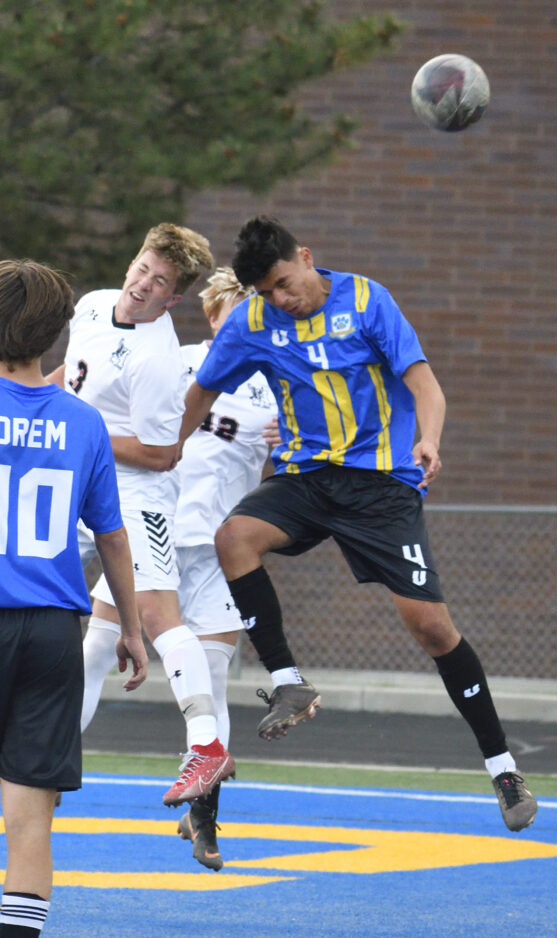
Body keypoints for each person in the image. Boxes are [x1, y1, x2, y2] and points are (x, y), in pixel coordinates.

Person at [179, 215, 539, 834]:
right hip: (307, 478)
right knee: (234, 537)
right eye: (267, 292)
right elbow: (200, 395)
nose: (281, 300)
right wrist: (166, 453)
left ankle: (503, 767)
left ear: (308, 258)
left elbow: (425, 384)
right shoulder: (252, 322)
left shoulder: (367, 299)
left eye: (286, 284)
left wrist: (429, 439)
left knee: (431, 628)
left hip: (381, 486)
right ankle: (288, 681)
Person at [47, 224, 234, 808]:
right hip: (80, 482)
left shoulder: (157, 359)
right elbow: (68, 378)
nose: (142, 285)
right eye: (142, 269)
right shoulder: (94, 305)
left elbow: (162, 454)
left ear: (173, 298)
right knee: (99, 643)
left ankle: (206, 745)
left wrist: (83, 430)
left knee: (153, 613)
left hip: (135, 496)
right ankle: (51, 753)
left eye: (159, 282)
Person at [0, 259, 147, 938]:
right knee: (31, 813)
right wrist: (134, 628)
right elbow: (113, 539)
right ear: (55, 334)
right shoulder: (83, 423)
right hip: (54, 630)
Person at [174, 268, 278, 870]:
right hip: (154, 537)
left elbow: (302, 453)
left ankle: (205, 817)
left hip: (218, 550)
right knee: (91, 653)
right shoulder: (182, 363)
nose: (236, 325)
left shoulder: (274, 385)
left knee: (213, 682)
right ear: (212, 317)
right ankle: (37, 783)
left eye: (248, 315)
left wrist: (289, 437)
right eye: (226, 314)